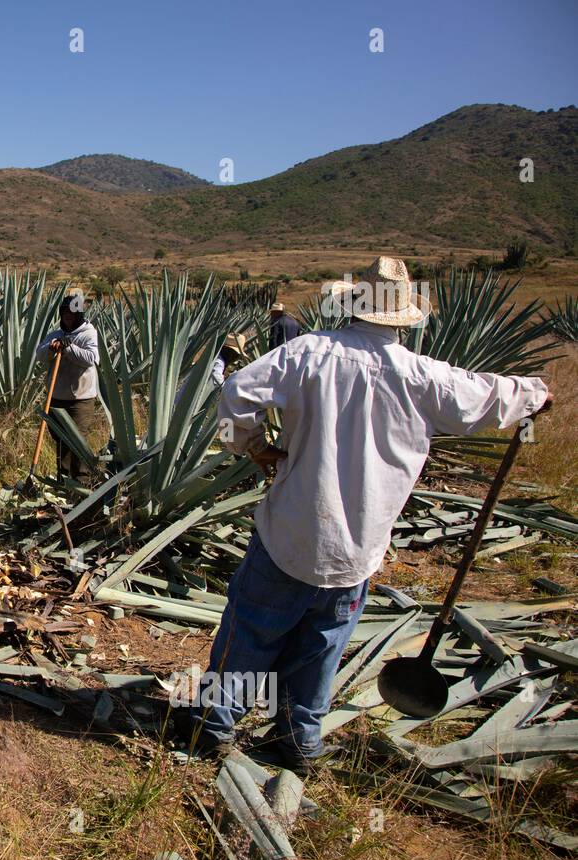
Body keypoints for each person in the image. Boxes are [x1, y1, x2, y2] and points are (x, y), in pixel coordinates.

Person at [185, 257, 551, 772]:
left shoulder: (307, 354)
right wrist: (535, 393)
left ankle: (212, 727)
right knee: (322, 648)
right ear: (402, 318)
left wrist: (250, 447)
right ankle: (299, 741)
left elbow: (235, 390)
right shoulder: (423, 376)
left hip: (289, 531)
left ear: (354, 306)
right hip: (358, 548)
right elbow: (488, 398)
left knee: (251, 631)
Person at [39, 288, 102, 484]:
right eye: (64, 314)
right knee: (60, 442)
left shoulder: (88, 333)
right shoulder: (55, 334)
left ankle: (82, 482)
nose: (67, 317)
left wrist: (70, 348)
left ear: (78, 315)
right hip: (56, 397)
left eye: (71, 314)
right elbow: (39, 356)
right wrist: (51, 348)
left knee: (78, 441)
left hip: (80, 400)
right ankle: (64, 482)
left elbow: (92, 358)